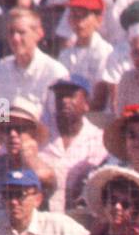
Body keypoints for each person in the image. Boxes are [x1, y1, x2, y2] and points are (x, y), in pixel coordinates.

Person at [0, 9, 67, 122]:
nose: (15, 38)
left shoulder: (55, 72)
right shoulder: (1, 69)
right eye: (11, 32)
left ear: (39, 34)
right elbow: (0, 118)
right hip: (10, 136)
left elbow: (58, 122)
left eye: (21, 32)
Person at [42, 75, 107, 213]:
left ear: (86, 104)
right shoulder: (39, 133)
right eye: (60, 96)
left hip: (80, 216)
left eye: (71, 96)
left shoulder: (99, 140)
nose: (64, 101)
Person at [57, 0, 113, 86]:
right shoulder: (66, 54)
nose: (79, 22)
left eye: (84, 16)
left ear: (98, 20)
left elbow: (101, 92)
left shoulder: (104, 52)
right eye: (74, 15)